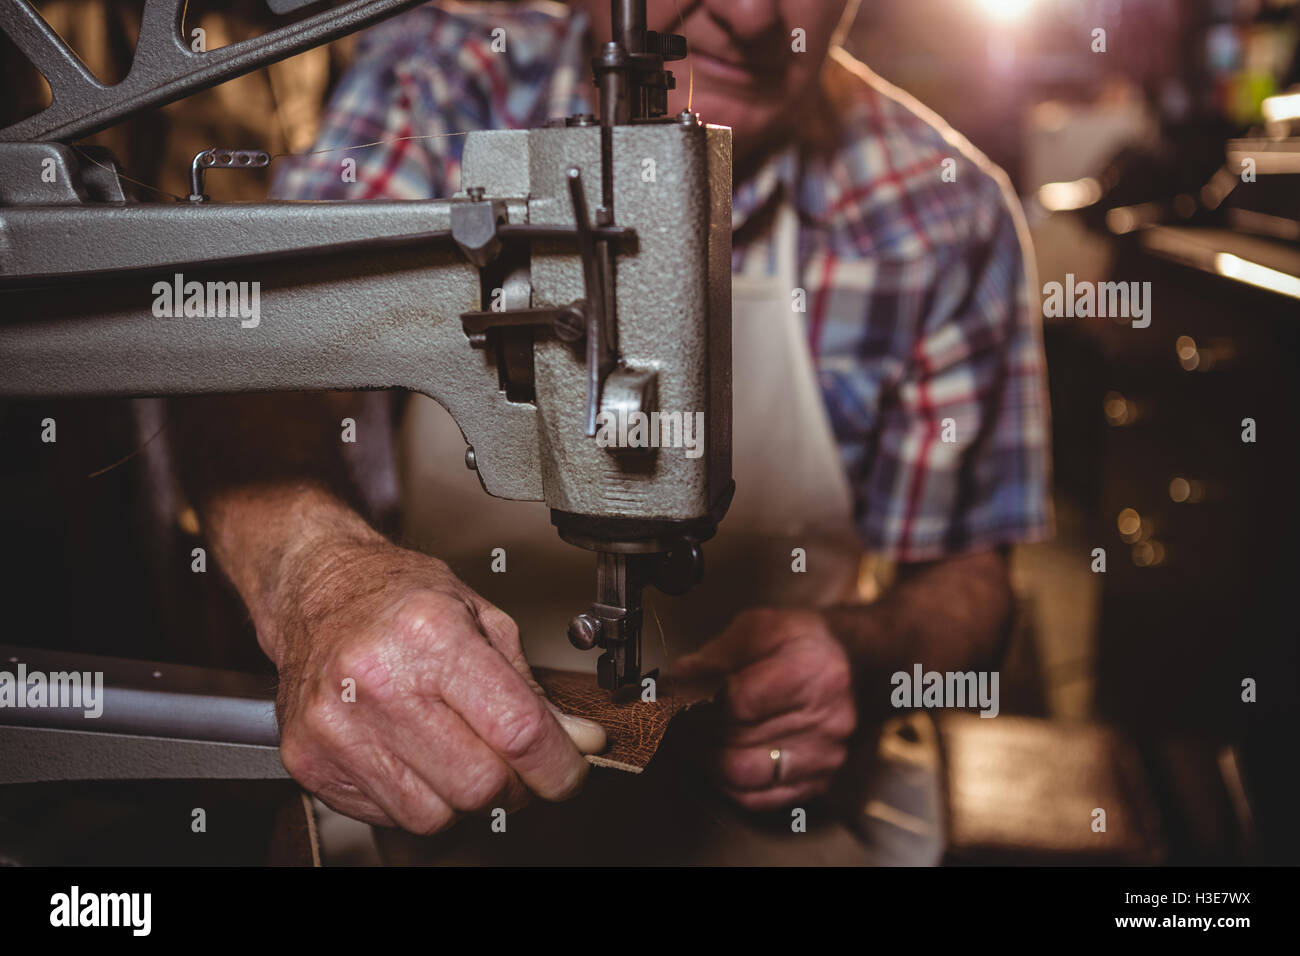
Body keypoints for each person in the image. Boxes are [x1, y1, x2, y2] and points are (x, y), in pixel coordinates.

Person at [176, 0, 1051, 844]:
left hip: (772, 804)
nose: (751, 14)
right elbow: (262, 354)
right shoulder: (446, 82)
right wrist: (321, 579)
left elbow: (973, 582)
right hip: (430, 784)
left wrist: (861, 656)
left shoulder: (946, 212)